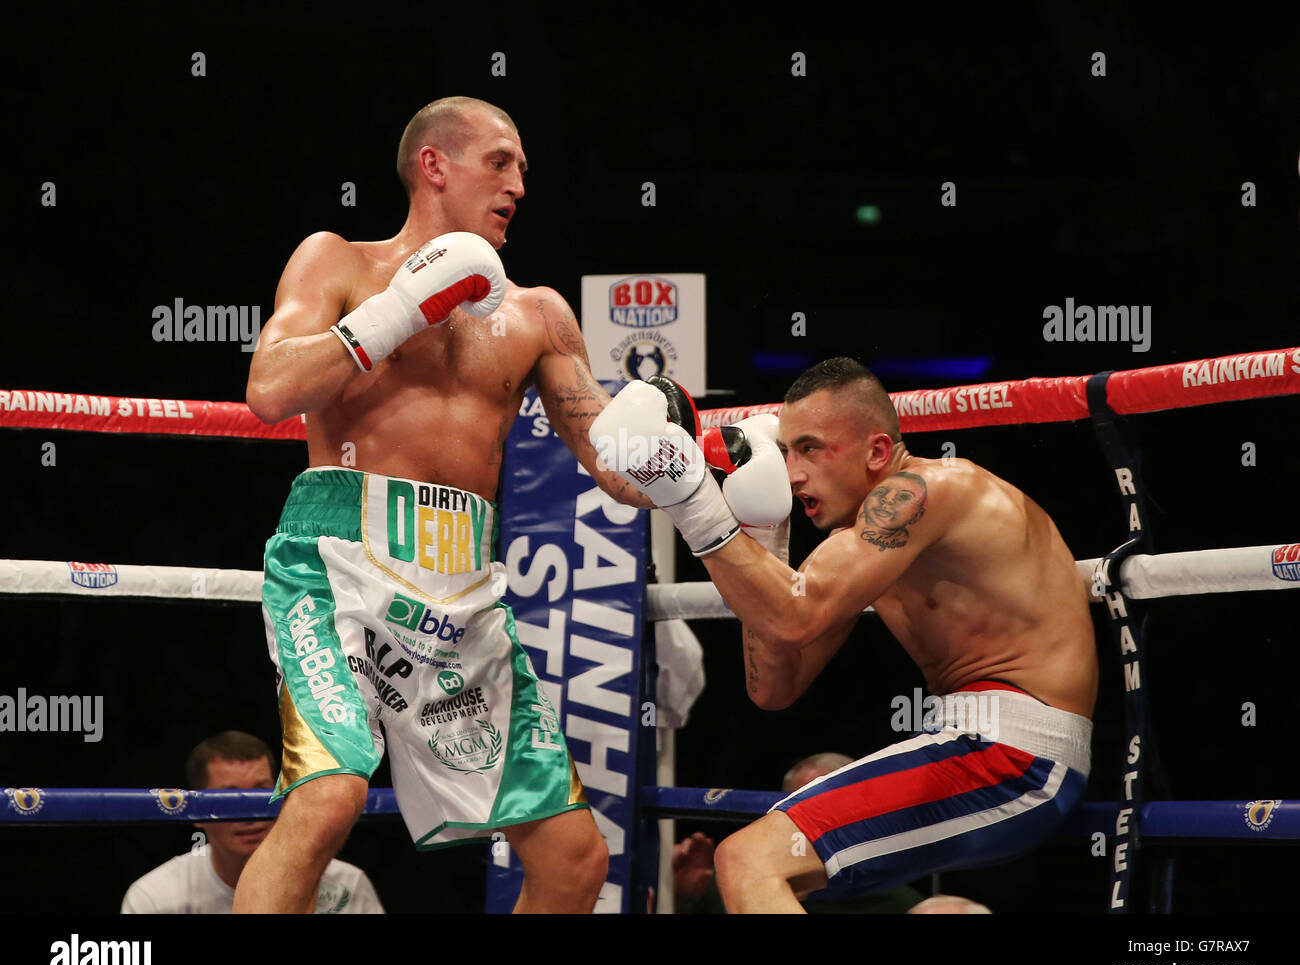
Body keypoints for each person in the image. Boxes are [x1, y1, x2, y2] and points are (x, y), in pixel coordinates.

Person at [237, 96, 650, 914]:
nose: (520, 185)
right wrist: (397, 313)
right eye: (500, 162)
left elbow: (615, 466)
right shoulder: (339, 261)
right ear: (435, 166)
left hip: (462, 590)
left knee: (573, 860)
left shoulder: (538, 314)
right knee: (328, 800)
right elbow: (270, 389)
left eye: (525, 169)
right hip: (337, 562)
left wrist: (696, 468)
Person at [590, 358, 1097, 912]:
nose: (792, 472)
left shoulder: (921, 491)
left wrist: (694, 501)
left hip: (1014, 753)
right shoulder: (858, 542)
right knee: (778, 871)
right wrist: (763, 536)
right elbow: (774, 686)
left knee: (748, 860)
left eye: (810, 448)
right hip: (975, 746)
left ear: (878, 452)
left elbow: (792, 617)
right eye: (785, 452)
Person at [122, 731, 382, 914]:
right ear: (198, 815)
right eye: (229, 798)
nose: (250, 815)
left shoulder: (345, 883)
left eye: (261, 794)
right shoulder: (155, 897)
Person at [672, 753, 924, 914]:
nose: (811, 830)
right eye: (797, 816)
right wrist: (677, 895)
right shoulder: (729, 880)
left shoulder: (902, 903)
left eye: (828, 816)